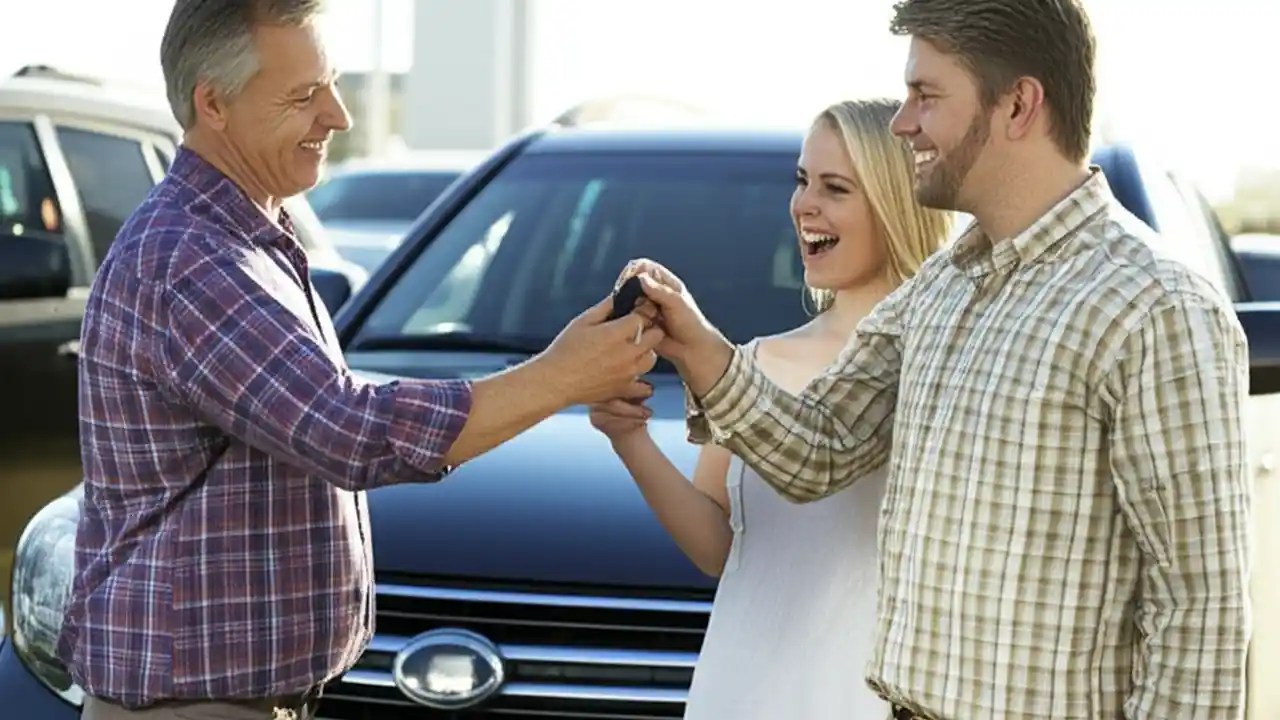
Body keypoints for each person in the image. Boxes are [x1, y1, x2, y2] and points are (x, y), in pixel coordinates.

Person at [623, 0, 1252, 718]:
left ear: (1018, 104)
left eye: (926, 96)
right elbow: (820, 449)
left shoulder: (1154, 306)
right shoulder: (943, 286)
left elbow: (1199, 610)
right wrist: (696, 343)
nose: (903, 123)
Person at [62, 2, 660, 719]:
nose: (339, 116)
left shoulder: (243, 240)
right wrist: (562, 375)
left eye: (334, 82)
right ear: (213, 103)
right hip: (194, 703)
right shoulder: (192, 259)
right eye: (303, 95)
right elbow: (347, 430)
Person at [588, 98, 951, 719]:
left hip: (865, 696)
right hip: (743, 684)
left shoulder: (947, 362)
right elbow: (720, 549)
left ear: (897, 202)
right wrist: (630, 441)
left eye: (835, 187)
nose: (804, 205)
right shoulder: (750, 363)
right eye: (803, 180)